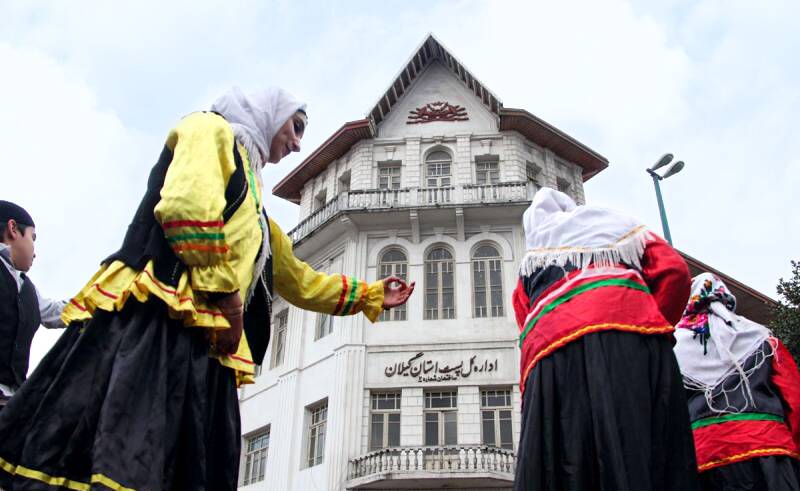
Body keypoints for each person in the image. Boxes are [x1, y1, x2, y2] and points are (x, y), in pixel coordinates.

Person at [0, 87, 414, 491]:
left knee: (185, 466)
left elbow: (301, 281)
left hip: (203, 349)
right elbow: (185, 210)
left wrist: (371, 294)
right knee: (127, 451)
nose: (298, 143)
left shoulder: (260, 221)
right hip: (155, 326)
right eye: (296, 125)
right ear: (267, 113)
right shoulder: (208, 129)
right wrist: (231, 305)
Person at [512, 188, 698, 491]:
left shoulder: (532, 261)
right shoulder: (621, 228)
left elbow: (523, 317)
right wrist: (651, 328)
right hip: (627, 335)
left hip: (551, 354)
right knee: (637, 442)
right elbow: (674, 272)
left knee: (561, 452)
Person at [675, 272, 800, 490]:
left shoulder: (674, 351)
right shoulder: (762, 339)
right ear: (726, 298)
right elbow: (795, 400)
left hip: (707, 458)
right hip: (769, 452)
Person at [0, 201, 66, 409]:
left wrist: (107, 297)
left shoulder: (27, 288)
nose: (35, 252)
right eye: (32, 238)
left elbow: (59, 312)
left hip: (12, 402)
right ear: (13, 229)